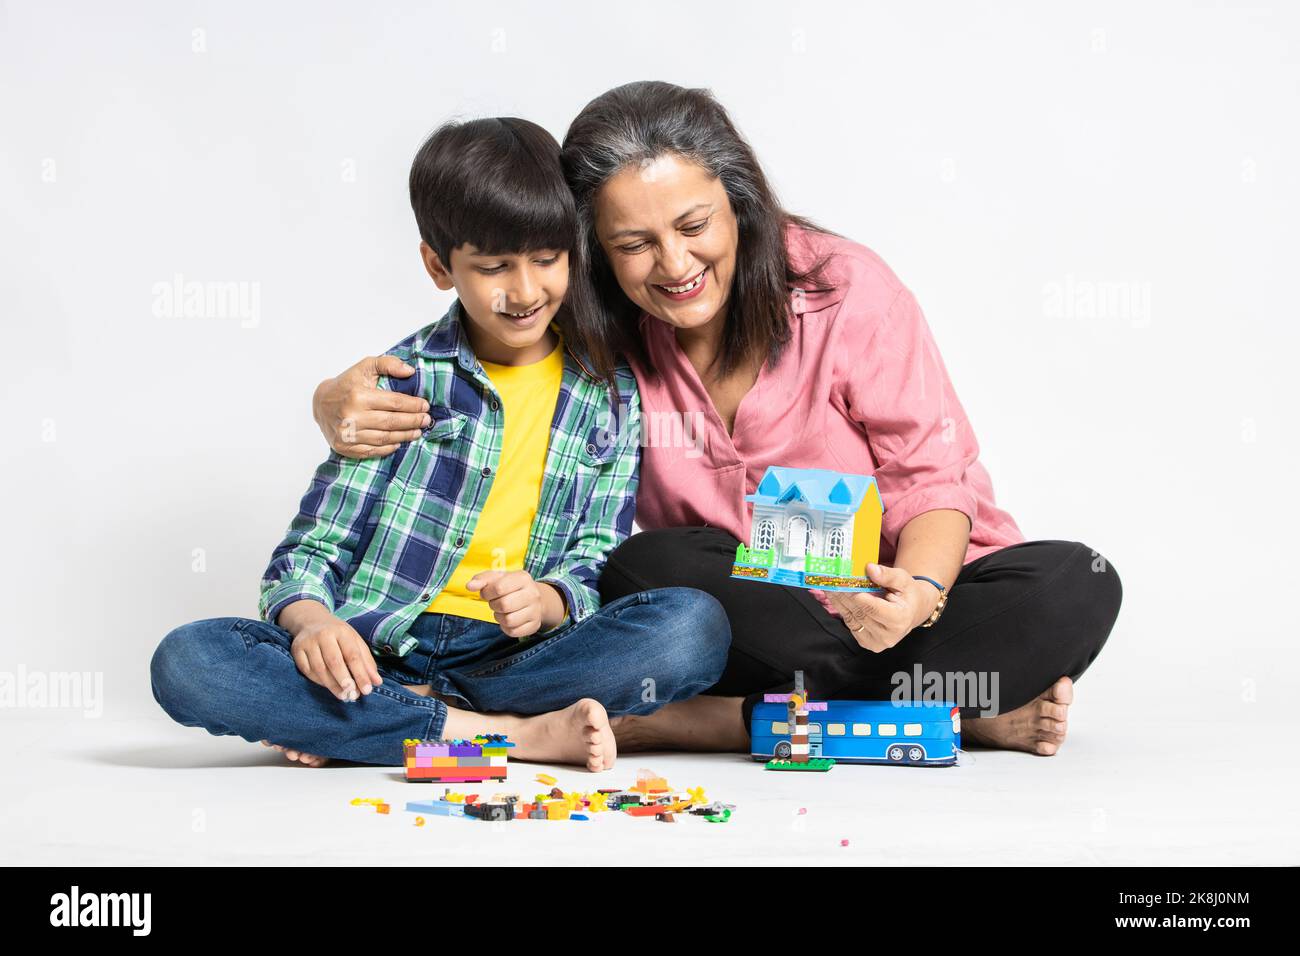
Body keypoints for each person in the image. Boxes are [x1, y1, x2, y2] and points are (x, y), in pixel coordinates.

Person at [310, 82, 1122, 758]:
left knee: (1070, 586)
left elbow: (931, 477)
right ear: (592, 248)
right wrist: (330, 400)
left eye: (694, 227)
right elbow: (483, 364)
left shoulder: (844, 289)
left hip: (906, 597)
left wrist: (915, 593)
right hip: (755, 615)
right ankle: (939, 715)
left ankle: (729, 720)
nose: (674, 265)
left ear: (739, 204)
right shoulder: (590, 335)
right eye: (634, 244)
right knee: (649, 568)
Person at [150, 116, 731, 772]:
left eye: (546, 260)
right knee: (188, 662)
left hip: (517, 661)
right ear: (437, 264)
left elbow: (597, 554)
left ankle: (387, 720)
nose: (526, 290)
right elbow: (311, 551)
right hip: (379, 649)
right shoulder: (401, 380)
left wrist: (546, 602)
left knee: (691, 628)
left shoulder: (611, 393)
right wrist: (313, 622)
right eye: (493, 268)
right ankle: (507, 736)